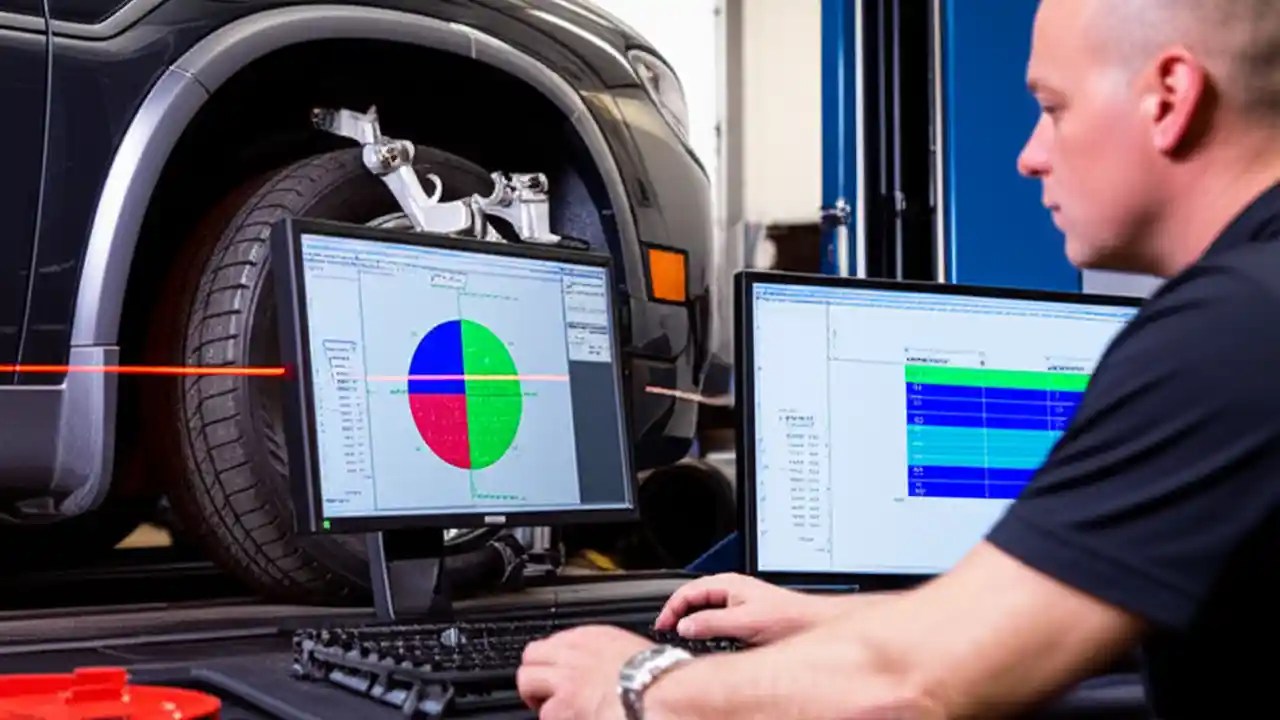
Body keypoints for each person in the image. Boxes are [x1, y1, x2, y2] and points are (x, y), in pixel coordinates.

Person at [516, 0, 1280, 716]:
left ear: (1169, 94)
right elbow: (1042, 610)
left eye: (1054, 109)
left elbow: (916, 689)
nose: (1029, 156)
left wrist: (639, 684)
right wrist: (819, 618)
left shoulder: (1232, 332)